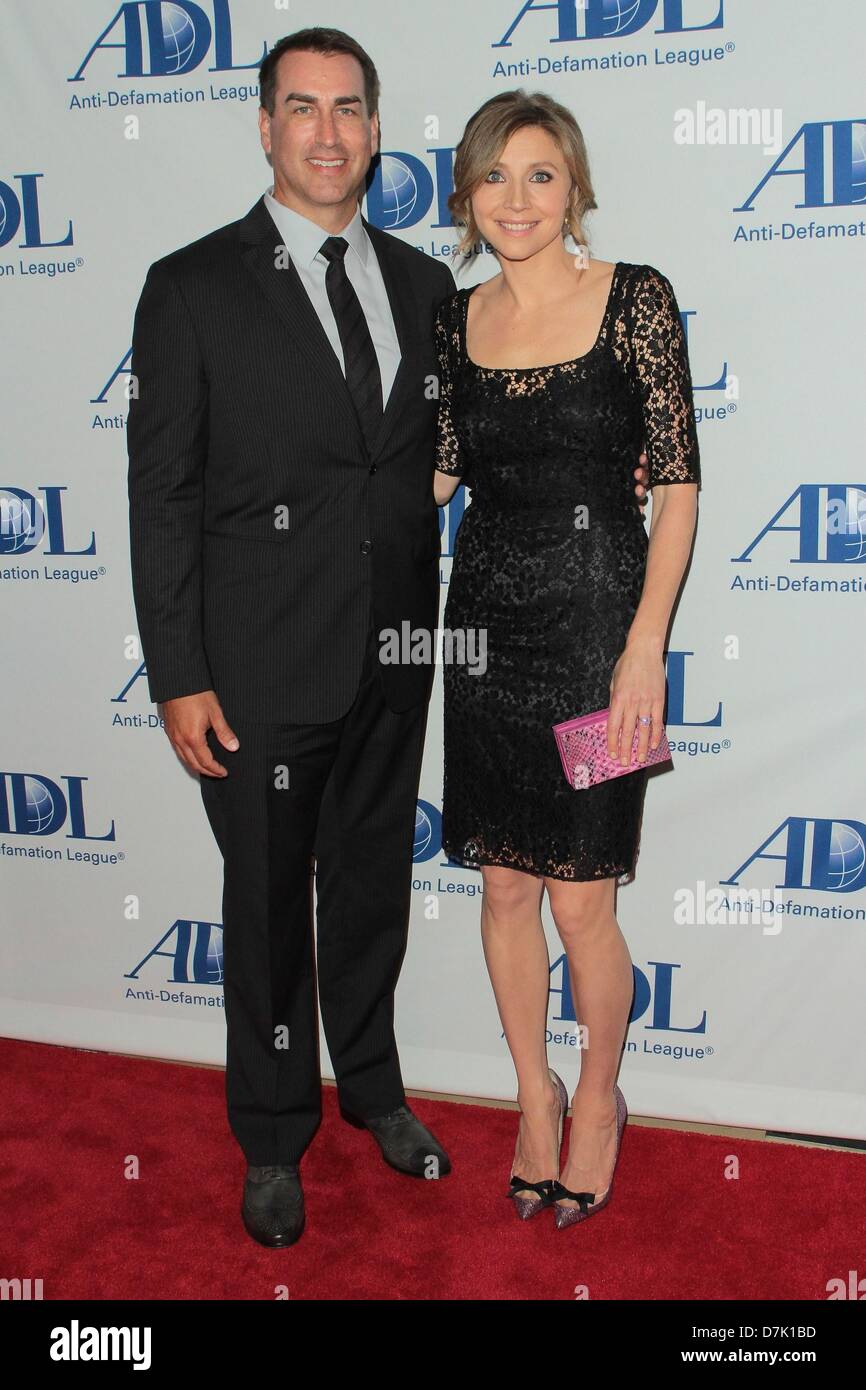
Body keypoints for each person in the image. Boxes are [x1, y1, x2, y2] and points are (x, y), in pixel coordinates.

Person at [127, 26, 650, 1249]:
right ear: (264, 126)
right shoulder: (190, 285)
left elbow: (448, 460)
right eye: (300, 107)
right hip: (254, 670)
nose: (326, 131)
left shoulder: (429, 290)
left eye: (349, 107)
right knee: (264, 909)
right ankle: (269, 1135)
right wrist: (179, 672)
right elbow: (161, 497)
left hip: (405, 659)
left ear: (374, 128)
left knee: (367, 891)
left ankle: (369, 1089)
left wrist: (591, 461)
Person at [433, 90, 700, 1229]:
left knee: (582, 903)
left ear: (573, 186)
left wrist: (642, 652)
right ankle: (529, 1097)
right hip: (482, 632)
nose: (517, 199)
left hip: (597, 640)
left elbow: (677, 486)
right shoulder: (450, 322)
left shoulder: (633, 298)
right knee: (500, 885)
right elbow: (430, 482)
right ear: (466, 194)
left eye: (539, 175)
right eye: (494, 176)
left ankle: (597, 1097)